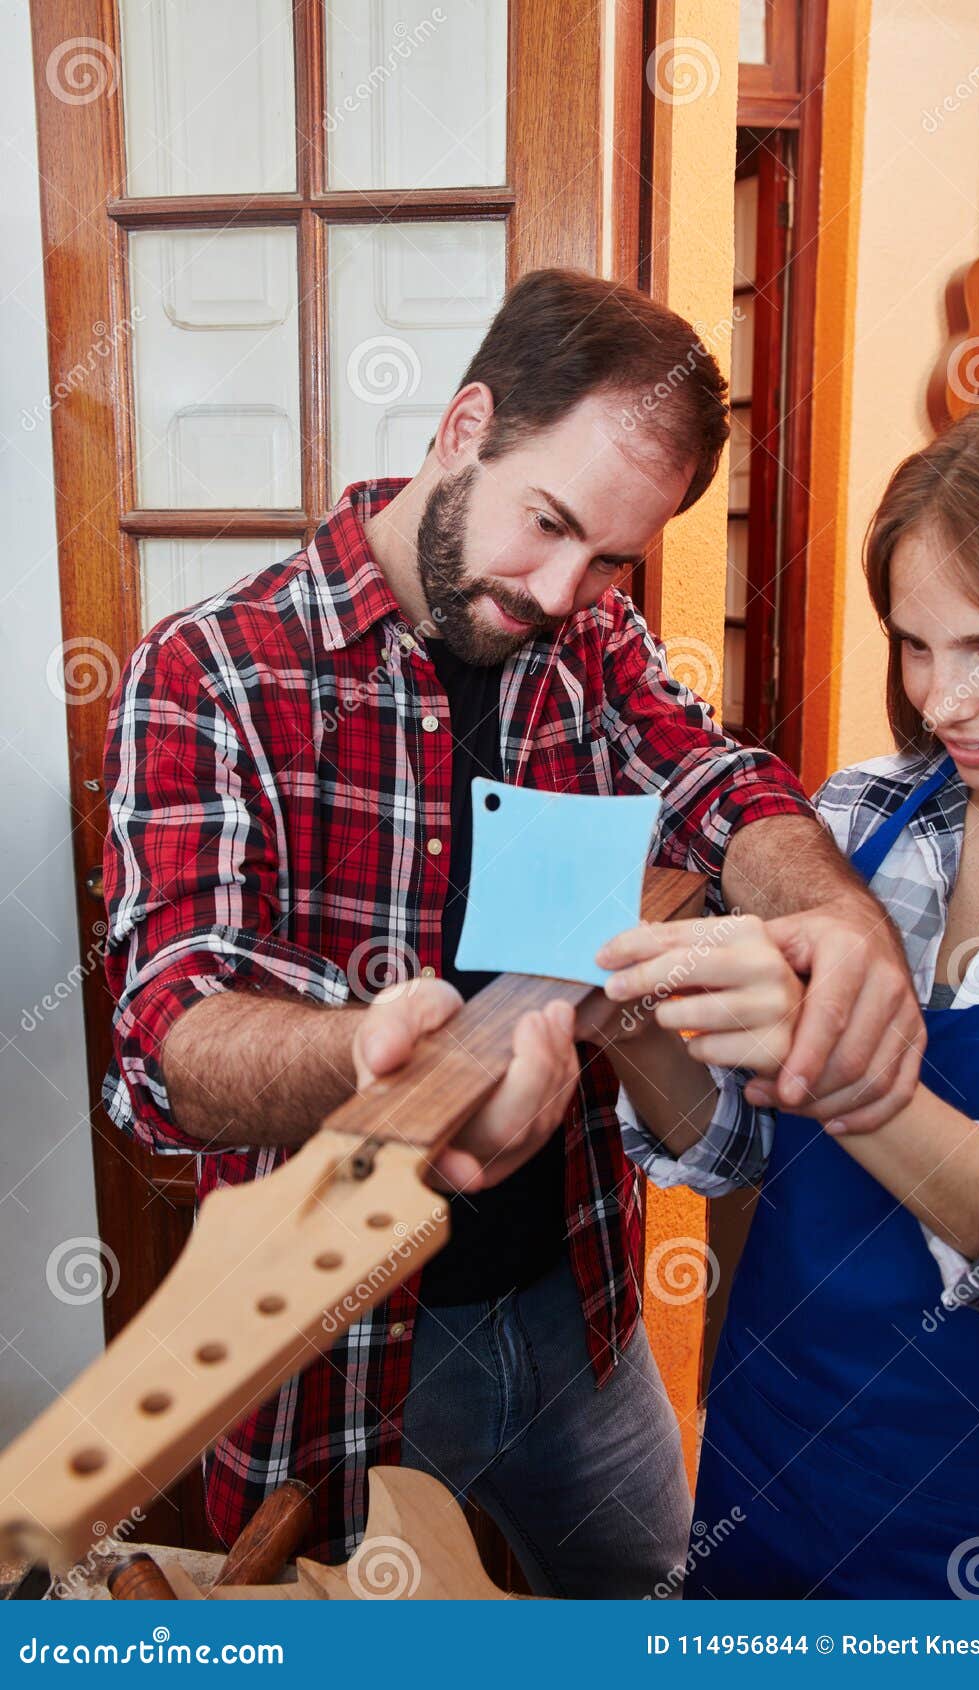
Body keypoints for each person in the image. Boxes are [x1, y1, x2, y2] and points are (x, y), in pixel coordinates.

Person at [102, 267, 919, 1594]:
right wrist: (377, 1053)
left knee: (648, 1610)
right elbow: (164, 1046)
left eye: (605, 556)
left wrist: (830, 907)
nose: (559, 588)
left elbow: (711, 778)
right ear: (462, 425)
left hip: (572, 1309)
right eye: (545, 524)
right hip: (329, 1346)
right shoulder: (207, 670)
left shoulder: (584, 636)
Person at [603, 390, 979, 1598]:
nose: (940, 701)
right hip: (778, 1475)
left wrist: (855, 1083)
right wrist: (633, 1027)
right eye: (914, 643)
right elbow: (748, 1142)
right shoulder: (860, 817)